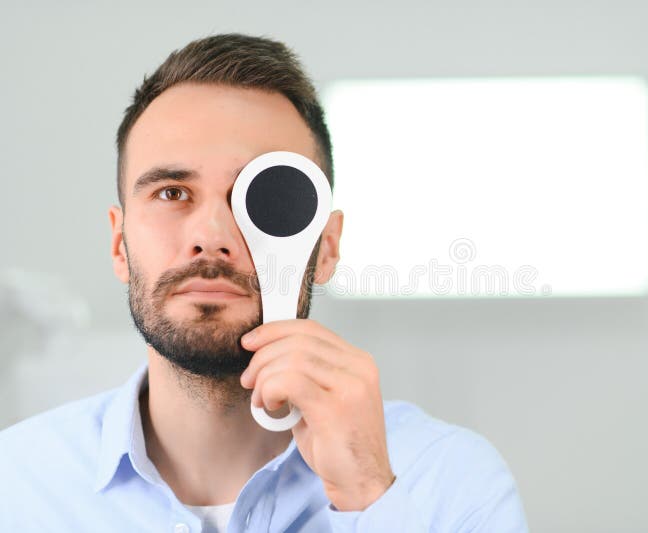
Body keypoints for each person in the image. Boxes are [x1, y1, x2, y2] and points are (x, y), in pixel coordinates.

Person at [0, 33, 529, 532]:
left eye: (261, 197)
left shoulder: (451, 482)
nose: (210, 237)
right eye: (171, 193)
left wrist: (370, 496)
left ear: (325, 248)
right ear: (119, 245)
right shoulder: (17, 486)